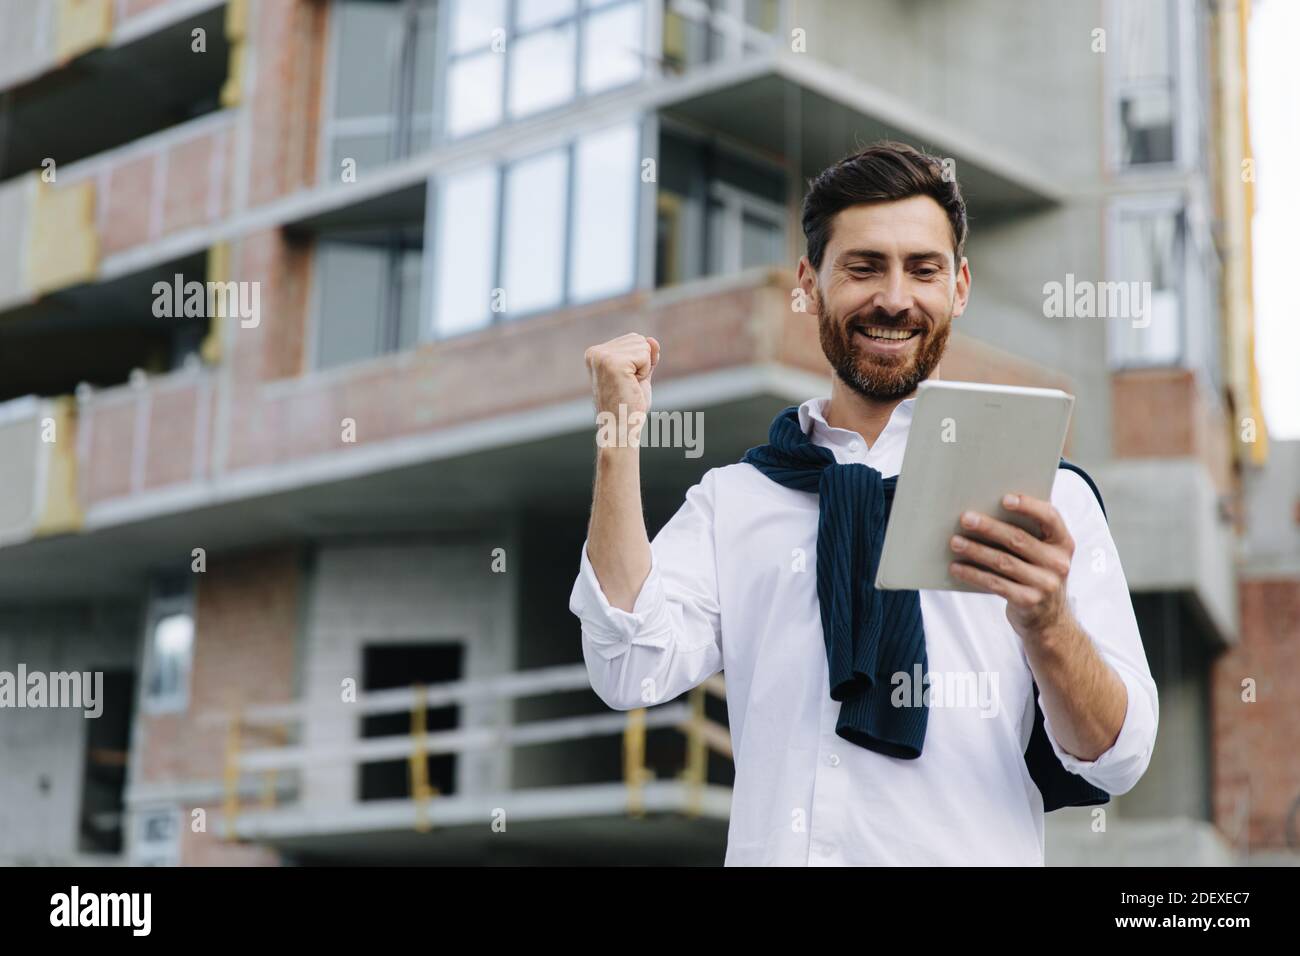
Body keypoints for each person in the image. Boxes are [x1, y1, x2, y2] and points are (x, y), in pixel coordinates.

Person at [569, 141, 1158, 866]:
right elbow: (627, 664)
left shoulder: (1046, 495)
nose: (895, 297)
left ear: (960, 287)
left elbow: (1118, 756)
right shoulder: (738, 499)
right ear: (810, 284)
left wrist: (1048, 624)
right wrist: (617, 434)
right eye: (864, 266)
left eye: (923, 269)